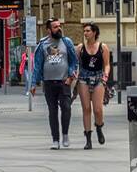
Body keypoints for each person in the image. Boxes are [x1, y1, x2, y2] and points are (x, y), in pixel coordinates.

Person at [31, 18, 79, 148]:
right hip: (49, 82)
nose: (59, 28)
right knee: (52, 111)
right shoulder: (43, 44)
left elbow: (74, 61)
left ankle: (65, 134)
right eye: (55, 27)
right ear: (49, 30)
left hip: (64, 81)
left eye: (59, 26)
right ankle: (55, 139)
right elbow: (37, 64)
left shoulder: (66, 42)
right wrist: (33, 83)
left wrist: (71, 76)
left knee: (66, 108)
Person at [77, 22, 111, 148]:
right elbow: (77, 64)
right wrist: (74, 75)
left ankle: (99, 127)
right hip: (84, 78)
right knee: (86, 108)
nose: (85, 33)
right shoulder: (80, 47)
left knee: (98, 109)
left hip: (98, 77)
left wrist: (105, 76)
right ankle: (88, 139)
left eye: (88, 31)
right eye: (84, 31)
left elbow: (107, 64)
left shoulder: (103, 47)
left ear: (94, 32)